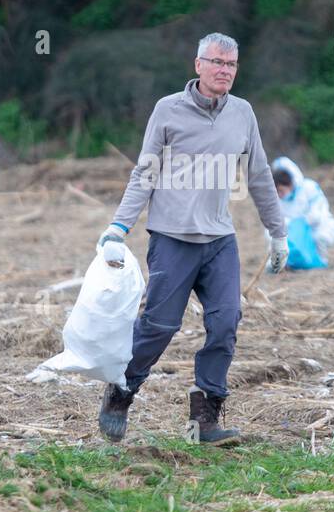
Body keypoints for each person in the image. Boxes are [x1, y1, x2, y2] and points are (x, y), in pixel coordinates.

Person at [96, 33, 290, 445]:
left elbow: (259, 176)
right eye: (217, 62)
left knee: (225, 324)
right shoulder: (168, 110)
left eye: (232, 64)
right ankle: (120, 393)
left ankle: (205, 419)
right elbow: (144, 173)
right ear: (198, 64)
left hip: (220, 240)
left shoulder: (243, 113)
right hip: (172, 238)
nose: (225, 70)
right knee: (158, 326)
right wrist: (118, 228)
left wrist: (278, 233)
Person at [266, 156, 334, 268]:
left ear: (290, 184)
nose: (280, 195)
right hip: (292, 233)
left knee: (320, 237)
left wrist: (303, 223)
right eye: (276, 192)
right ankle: (285, 263)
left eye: (281, 191)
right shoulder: (277, 201)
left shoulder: (309, 188)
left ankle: (319, 261)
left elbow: (319, 212)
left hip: (316, 228)